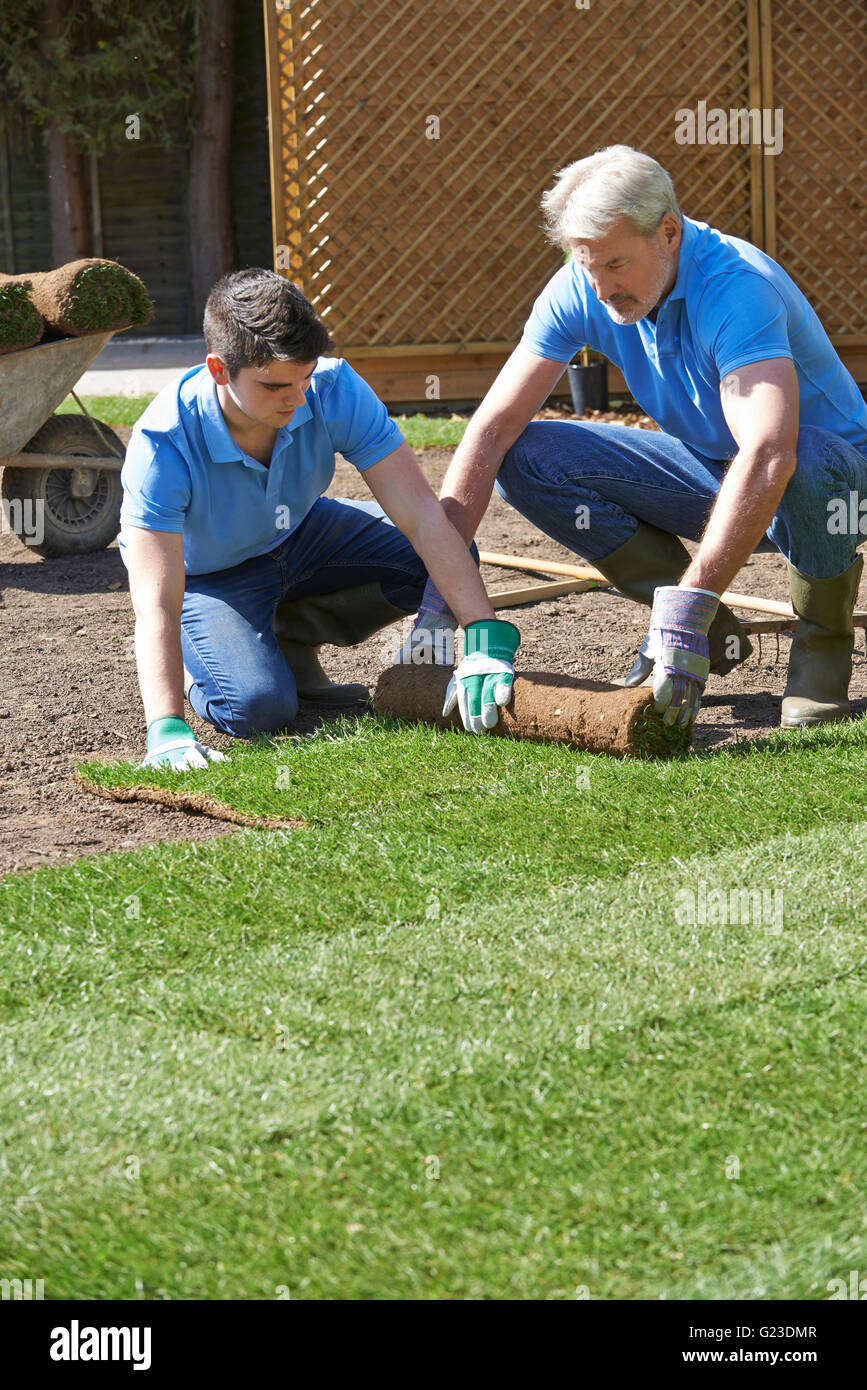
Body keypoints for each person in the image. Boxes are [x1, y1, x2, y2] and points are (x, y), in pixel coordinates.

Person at [407, 145, 867, 729]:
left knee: (805, 455)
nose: (598, 287)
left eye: (615, 265)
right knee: (530, 456)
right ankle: (708, 627)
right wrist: (442, 601)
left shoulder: (736, 289)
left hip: (832, 488)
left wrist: (686, 614)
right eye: (585, 264)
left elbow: (770, 452)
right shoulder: (582, 284)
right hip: (717, 467)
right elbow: (493, 430)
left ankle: (820, 651)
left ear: (668, 232)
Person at [119, 268, 520, 770]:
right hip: (208, 575)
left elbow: (422, 515)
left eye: (305, 377)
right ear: (219, 370)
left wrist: (481, 630)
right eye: (274, 385)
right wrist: (166, 727)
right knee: (259, 709)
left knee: (449, 551)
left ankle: (295, 634)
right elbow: (156, 604)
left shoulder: (333, 388)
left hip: (303, 533)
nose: (298, 397)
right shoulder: (164, 442)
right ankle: (211, 663)